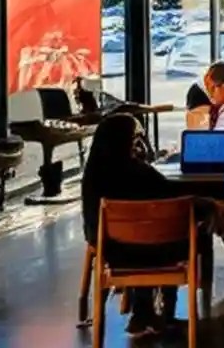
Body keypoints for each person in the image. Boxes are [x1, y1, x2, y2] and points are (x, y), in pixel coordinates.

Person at [82, 114, 187, 337]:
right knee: (181, 232)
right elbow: (175, 197)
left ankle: (143, 311)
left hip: (110, 251)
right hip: (155, 253)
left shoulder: (92, 173)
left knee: (140, 235)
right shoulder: (140, 172)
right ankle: (166, 314)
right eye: (135, 138)